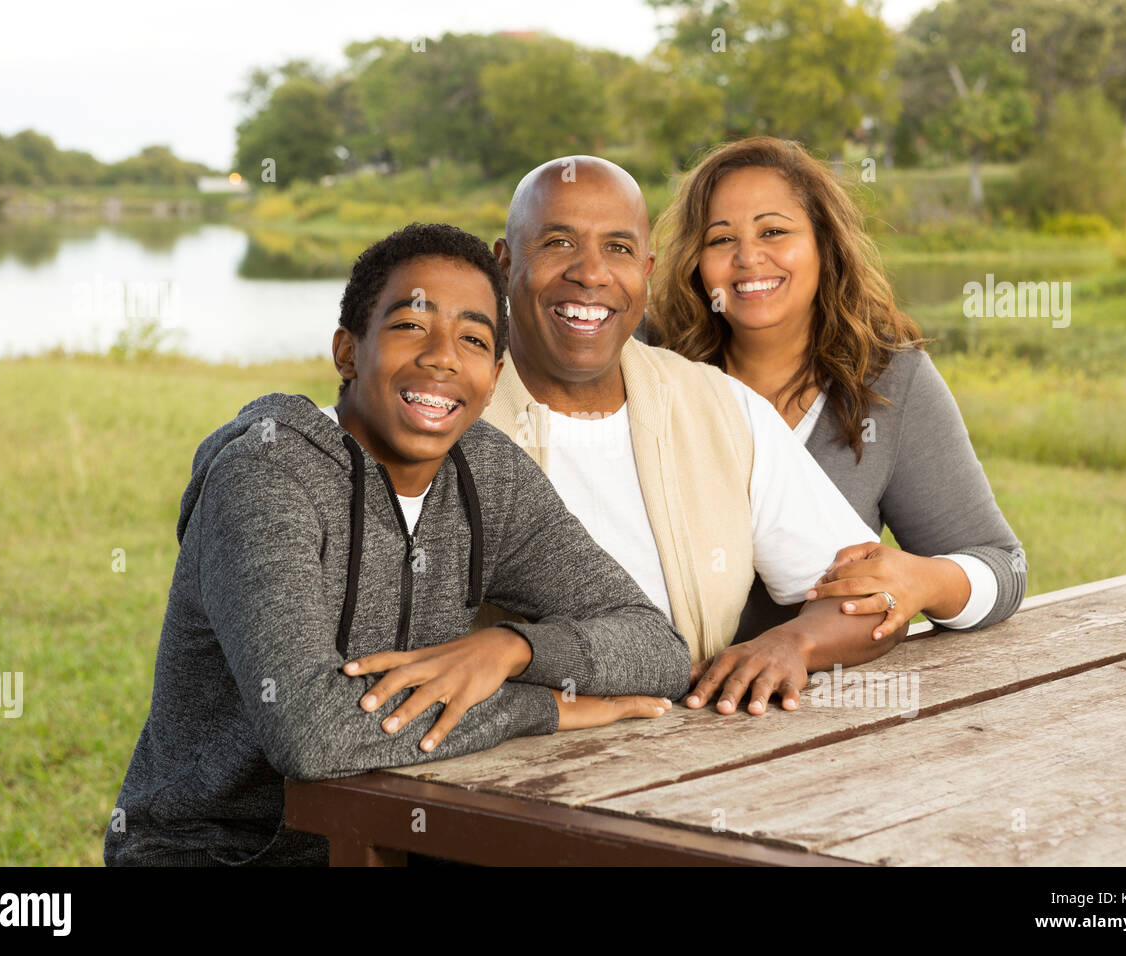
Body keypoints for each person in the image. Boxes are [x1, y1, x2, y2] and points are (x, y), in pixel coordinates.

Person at [105, 223, 689, 867]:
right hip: (220, 855)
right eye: (412, 325)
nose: (443, 356)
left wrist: (513, 647)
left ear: (494, 375)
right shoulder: (265, 476)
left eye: (472, 338)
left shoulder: (487, 475)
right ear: (348, 351)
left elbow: (655, 648)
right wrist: (546, 705)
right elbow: (311, 734)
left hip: (404, 839)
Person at [476, 155, 905, 721]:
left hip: (698, 758)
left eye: (619, 249)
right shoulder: (448, 416)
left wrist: (791, 643)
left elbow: (866, 598)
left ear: (647, 270)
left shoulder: (722, 408)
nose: (591, 273)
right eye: (558, 243)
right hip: (501, 765)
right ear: (504, 262)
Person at [649, 136, 1026, 642]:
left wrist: (921, 581)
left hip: (808, 704)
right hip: (644, 702)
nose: (748, 257)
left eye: (774, 231)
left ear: (825, 243)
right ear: (695, 261)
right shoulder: (649, 362)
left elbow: (1003, 566)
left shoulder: (891, 383)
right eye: (720, 240)